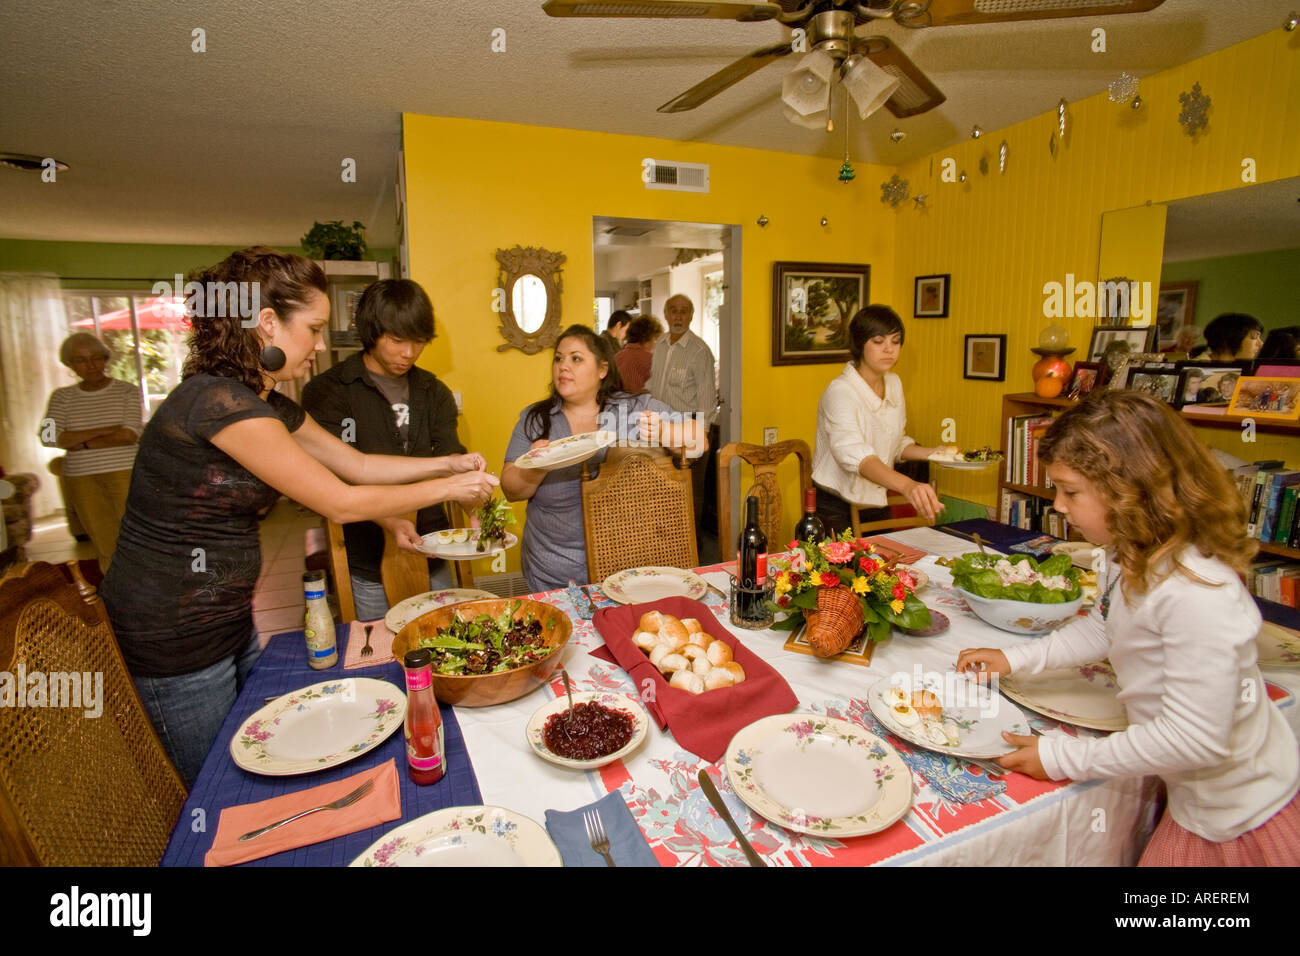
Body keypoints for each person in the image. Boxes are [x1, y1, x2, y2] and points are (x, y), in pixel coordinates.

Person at [100, 247, 497, 786]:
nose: (319, 345)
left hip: (225, 614)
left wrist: (448, 462)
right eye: (312, 329)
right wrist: (451, 487)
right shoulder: (217, 402)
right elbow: (341, 499)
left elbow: (356, 463)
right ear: (267, 323)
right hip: (173, 630)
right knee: (215, 785)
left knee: (249, 762)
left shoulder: (264, 402)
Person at [956, 390, 1299, 866]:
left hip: (1236, 817)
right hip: (1197, 800)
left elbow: (1193, 740)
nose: (1059, 505)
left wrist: (1060, 757)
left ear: (1131, 489)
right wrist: (1017, 658)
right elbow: (1105, 626)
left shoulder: (1195, 592)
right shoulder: (1129, 552)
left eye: (1071, 491)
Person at [302, 279, 465, 621]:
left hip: (434, 548)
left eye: (419, 341)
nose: (409, 353)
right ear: (372, 333)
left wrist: (474, 497)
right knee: (377, 644)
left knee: (449, 636)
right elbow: (338, 477)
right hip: (367, 556)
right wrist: (390, 521)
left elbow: (450, 455)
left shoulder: (433, 392)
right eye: (397, 340)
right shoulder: (330, 391)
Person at [502, 324, 702, 593]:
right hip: (554, 573)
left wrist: (665, 431)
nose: (563, 366)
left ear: (602, 370)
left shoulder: (633, 408)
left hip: (629, 571)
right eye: (558, 359)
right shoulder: (536, 419)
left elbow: (699, 441)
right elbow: (511, 489)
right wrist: (538, 465)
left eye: (576, 358)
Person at [811, 305, 956, 534]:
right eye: (878, 341)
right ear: (859, 344)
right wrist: (907, 485)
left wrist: (935, 453)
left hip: (875, 497)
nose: (889, 349)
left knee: (886, 557)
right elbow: (857, 456)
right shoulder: (840, 392)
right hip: (835, 505)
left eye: (895, 342)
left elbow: (893, 443)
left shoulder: (894, 384)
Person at [39, 332, 143, 571]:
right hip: (81, 477)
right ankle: (115, 590)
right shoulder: (61, 397)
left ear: (105, 358)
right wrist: (107, 430)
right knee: (103, 542)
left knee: (139, 537)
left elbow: (128, 435)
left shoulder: (126, 390)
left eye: (96, 358)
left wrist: (77, 441)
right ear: (69, 364)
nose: (91, 365)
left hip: (125, 472)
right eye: (81, 360)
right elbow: (48, 437)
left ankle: (148, 588)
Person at [646, 294, 717, 524]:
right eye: (673, 311)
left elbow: (707, 400)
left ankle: (692, 544)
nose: (678, 316)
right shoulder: (660, 344)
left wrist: (699, 439)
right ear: (666, 315)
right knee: (664, 492)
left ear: (691, 316)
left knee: (689, 494)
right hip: (661, 428)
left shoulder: (699, 351)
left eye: (684, 311)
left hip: (689, 429)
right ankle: (667, 541)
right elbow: (655, 383)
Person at [614, 315, 662, 393]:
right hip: (643, 400)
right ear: (650, 337)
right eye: (655, 339)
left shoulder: (616, 357)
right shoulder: (651, 359)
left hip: (620, 400)